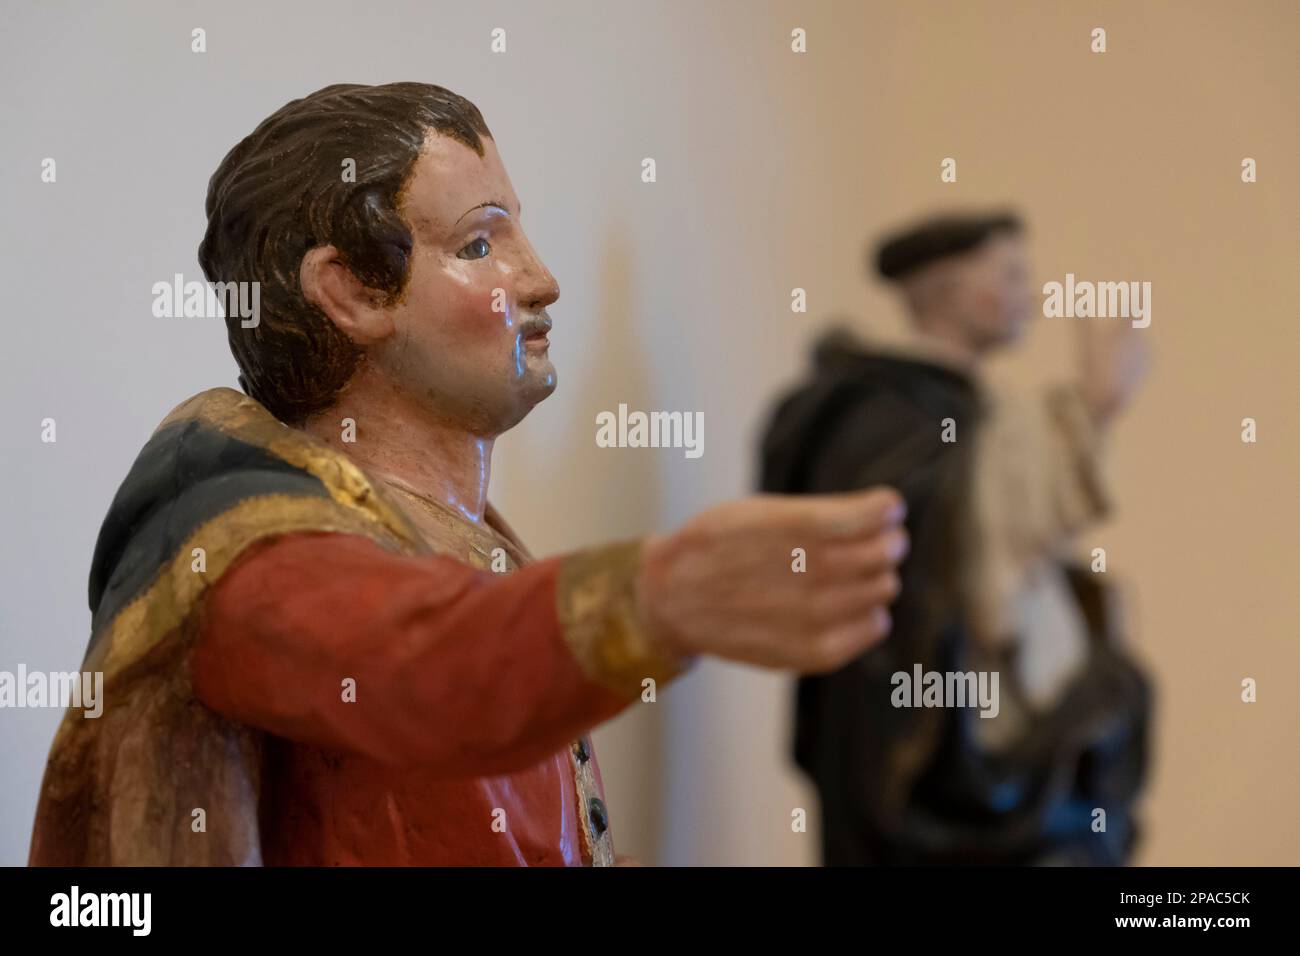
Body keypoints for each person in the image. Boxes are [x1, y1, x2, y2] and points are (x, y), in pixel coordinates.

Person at [29, 83, 908, 867]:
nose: (543, 279)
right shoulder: (243, 546)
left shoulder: (455, 535)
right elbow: (432, 673)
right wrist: (658, 596)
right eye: (481, 244)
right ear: (351, 293)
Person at [761, 211, 1152, 865]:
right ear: (949, 290)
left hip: (999, 693)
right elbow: (964, 512)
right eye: (1010, 274)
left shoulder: (968, 411)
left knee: (1117, 694)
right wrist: (1088, 406)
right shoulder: (879, 412)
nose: (1029, 291)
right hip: (936, 731)